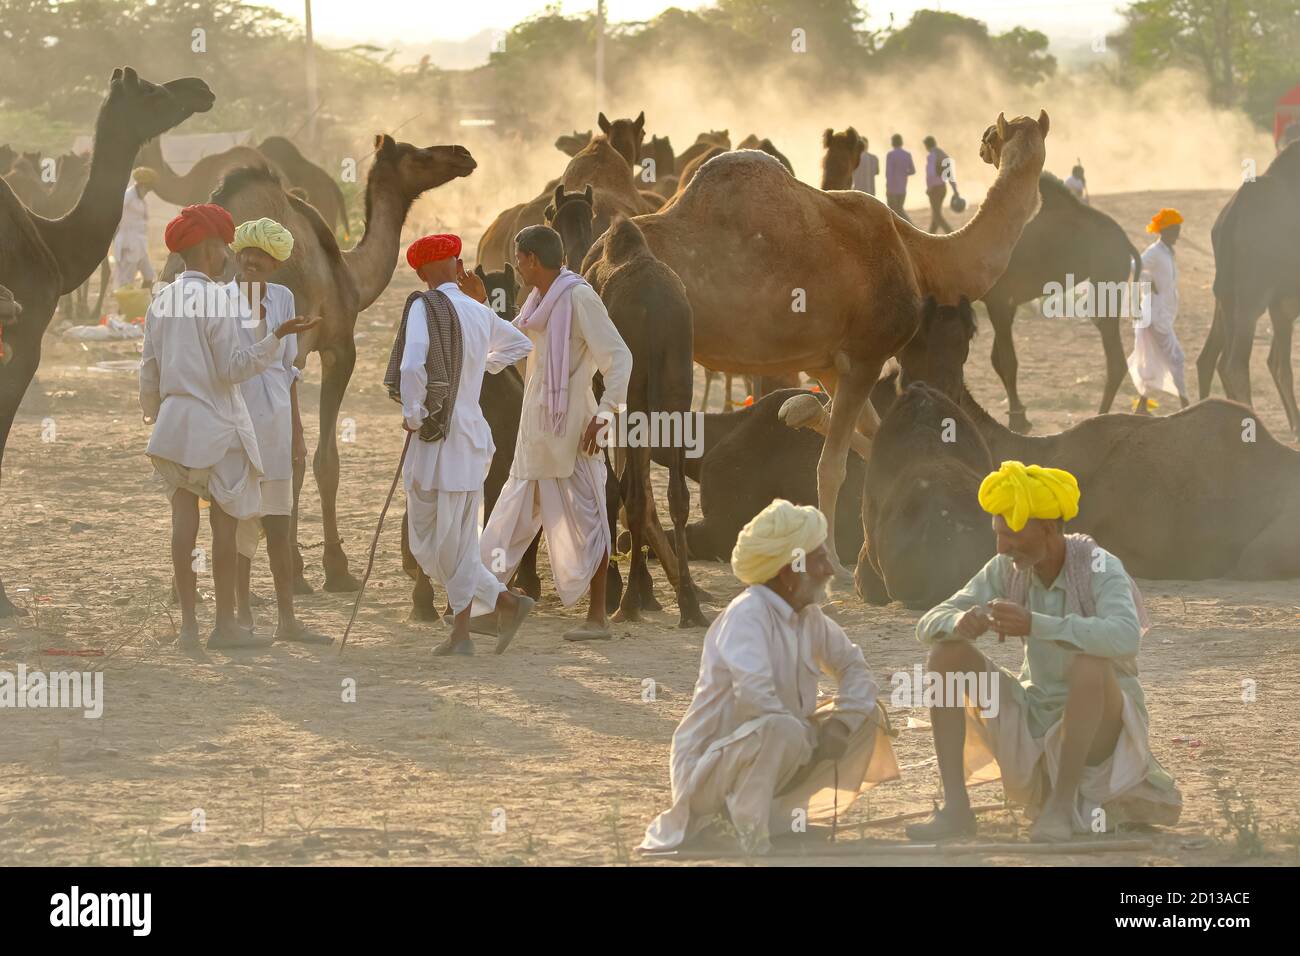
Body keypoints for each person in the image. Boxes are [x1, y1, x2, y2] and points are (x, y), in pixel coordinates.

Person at [907, 461, 1182, 843]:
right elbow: (930, 621)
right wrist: (958, 623)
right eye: (998, 535)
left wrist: (1035, 624)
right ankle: (956, 809)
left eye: (1011, 535)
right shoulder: (1007, 567)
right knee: (945, 655)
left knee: (1089, 663)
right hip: (1036, 715)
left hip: (1103, 727)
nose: (1002, 547)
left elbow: (1125, 637)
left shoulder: (1100, 565)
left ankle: (1061, 807)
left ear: (1048, 529)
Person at [638, 499, 898, 856]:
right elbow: (756, 699)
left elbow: (854, 667)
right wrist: (811, 734)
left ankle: (781, 821)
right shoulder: (748, 615)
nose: (829, 571)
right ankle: (744, 834)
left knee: (866, 717)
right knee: (782, 728)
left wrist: (839, 725)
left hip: (780, 745)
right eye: (819, 560)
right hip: (710, 771)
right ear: (790, 571)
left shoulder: (809, 616)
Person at [139, 204, 319, 651]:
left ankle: (188, 628)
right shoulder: (217, 299)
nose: (228, 258)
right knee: (224, 524)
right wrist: (277, 337)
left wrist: (156, 411)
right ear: (209, 248)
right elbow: (234, 368)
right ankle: (225, 625)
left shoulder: (161, 298)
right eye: (223, 248)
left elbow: (148, 369)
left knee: (183, 522)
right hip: (217, 425)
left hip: (173, 424)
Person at [478, 225, 632, 642]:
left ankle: (597, 618)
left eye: (518, 256)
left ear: (531, 259)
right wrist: (475, 313)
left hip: (576, 433)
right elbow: (509, 340)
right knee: (506, 523)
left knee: (592, 521)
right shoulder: (536, 303)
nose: (516, 264)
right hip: (538, 433)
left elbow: (618, 358)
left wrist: (605, 415)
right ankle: (489, 605)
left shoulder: (579, 298)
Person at [391, 233, 536, 656]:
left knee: (430, 538)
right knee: (457, 540)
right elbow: (519, 344)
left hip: (438, 435)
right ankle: (476, 622)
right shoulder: (477, 310)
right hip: (473, 434)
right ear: (457, 267)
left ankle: (498, 608)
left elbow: (413, 360)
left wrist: (414, 413)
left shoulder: (424, 306)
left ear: (421, 274)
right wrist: (477, 366)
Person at [226, 218, 330, 646]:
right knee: (239, 522)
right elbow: (231, 362)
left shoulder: (284, 298)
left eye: (262, 257)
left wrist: (299, 433)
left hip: (276, 420)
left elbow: (288, 370)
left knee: (281, 523)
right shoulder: (222, 301)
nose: (253, 262)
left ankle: (288, 619)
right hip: (236, 416)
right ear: (238, 255)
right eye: (248, 254)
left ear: (274, 264)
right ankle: (243, 615)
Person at [1128, 208, 1189, 414]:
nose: (1179, 234)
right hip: (1155, 316)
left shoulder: (1167, 252)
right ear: (1166, 231)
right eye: (1176, 230)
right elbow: (1133, 266)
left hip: (1161, 315)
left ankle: (1142, 406)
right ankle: (1185, 406)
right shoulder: (1154, 252)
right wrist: (1147, 281)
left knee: (1151, 359)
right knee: (1177, 358)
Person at [112, 167, 157, 291]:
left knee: (149, 276)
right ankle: (123, 310)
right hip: (128, 245)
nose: (148, 191)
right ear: (142, 185)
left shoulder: (141, 199)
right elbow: (114, 212)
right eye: (147, 188)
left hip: (140, 245)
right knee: (126, 283)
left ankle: (142, 305)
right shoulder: (127, 196)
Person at [922, 135, 954, 233]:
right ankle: (930, 236)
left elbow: (930, 174)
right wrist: (955, 190)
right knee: (936, 215)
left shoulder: (931, 155)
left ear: (927, 145)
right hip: (943, 188)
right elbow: (950, 173)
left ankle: (951, 234)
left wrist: (929, 188)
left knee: (937, 216)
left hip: (935, 189)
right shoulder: (943, 154)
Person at [885, 134, 915, 223]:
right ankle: (909, 227)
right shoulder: (907, 154)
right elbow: (913, 171)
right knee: (899, 210)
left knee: (893, 212)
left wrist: (888, 187)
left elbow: (888, 173)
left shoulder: (890, 155)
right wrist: (903, 173)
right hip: (902, 188)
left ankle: (911, 226)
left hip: (892, 188)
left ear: (893, 143)